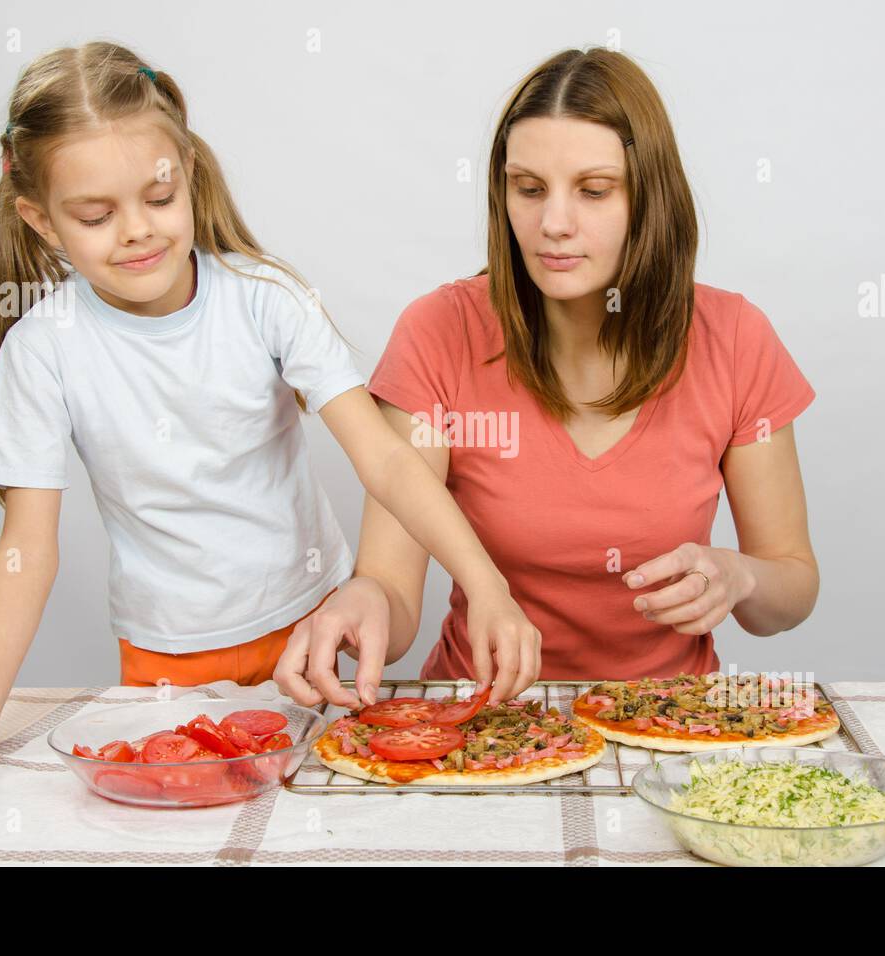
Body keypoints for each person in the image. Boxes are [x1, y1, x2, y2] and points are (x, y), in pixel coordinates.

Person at [0, 42, 537, 760]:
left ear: (190, 175)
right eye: (95, 215)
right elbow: (28, 545)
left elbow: (390, 461)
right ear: (43, 221)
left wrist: (484, 583)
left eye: (160, 197)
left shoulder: (265, 301)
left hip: (315, 639)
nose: (138, 229)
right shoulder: (43, 349)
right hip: (169, 664)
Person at [276, 48, 819, 711]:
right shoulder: (439, 332)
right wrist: (363, 599)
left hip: (665, 723)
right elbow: (392, 589)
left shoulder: (735, 338)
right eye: (528, 189)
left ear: (651, 199)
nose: (552, 224)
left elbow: (789, 594)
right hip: (481, 717)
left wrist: (737, 578)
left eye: (593, 191)